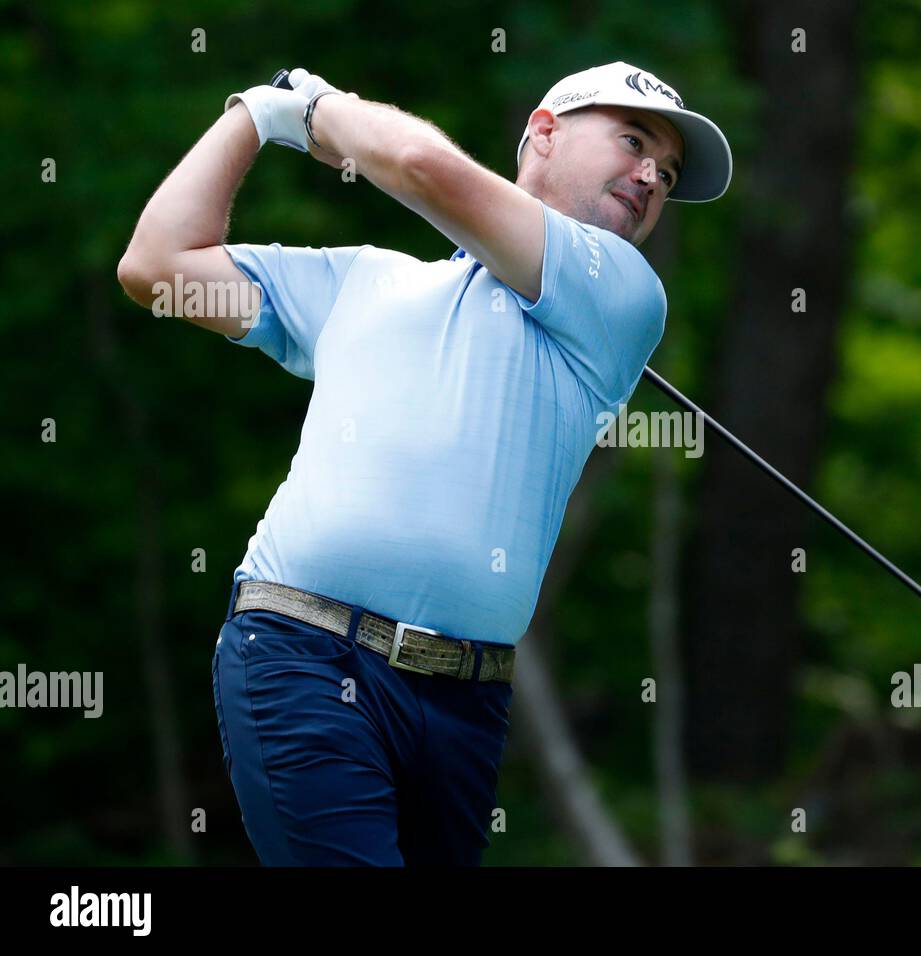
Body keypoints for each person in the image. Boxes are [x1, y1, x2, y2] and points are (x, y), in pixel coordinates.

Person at [114, 61, 732, 865]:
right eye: (633, 140)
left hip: (465, 701)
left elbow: (422, 168)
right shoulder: (362, 282)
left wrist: (316, 109)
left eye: (669, 170)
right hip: (300, 652)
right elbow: (156, 269)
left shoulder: (624, 294)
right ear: (542, 132)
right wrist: (253, 116)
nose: (652, 174)